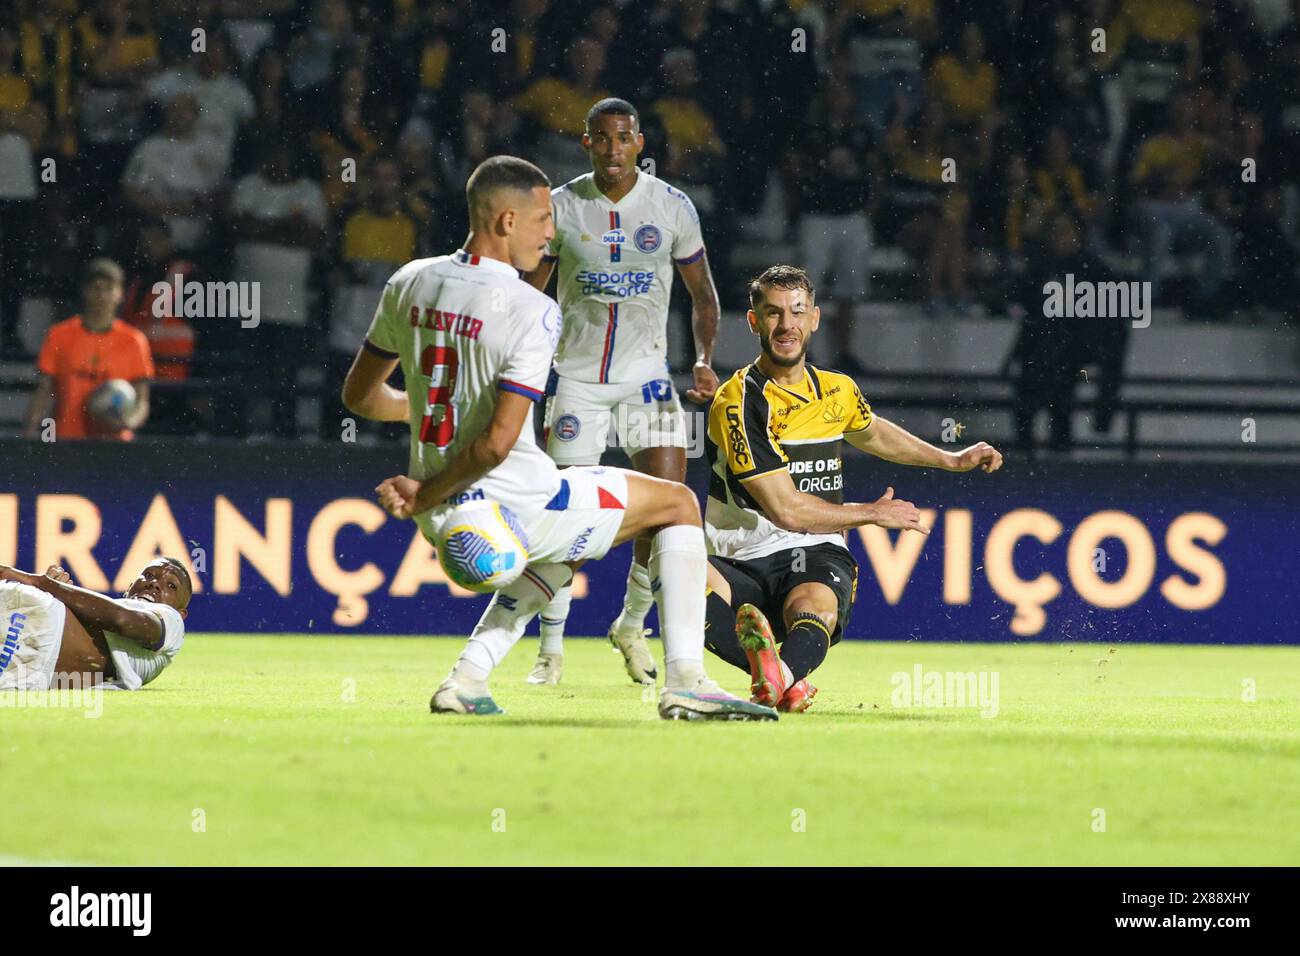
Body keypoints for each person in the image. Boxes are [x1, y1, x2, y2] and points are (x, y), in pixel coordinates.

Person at [342, 155, 773, 721]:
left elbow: (360, 397)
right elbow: (496, 445)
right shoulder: (531, 309)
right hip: (513, 503)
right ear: (506, 222)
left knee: (564, 554)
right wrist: (426, 490)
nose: (553, 231)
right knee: (676, 503)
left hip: (452, 518)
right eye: (544, 219)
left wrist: (427, 444)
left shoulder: (411, 279)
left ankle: (467, 679)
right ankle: (687, 682)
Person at [701, 265, 1003, 712]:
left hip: (813, 547)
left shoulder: (837, 389)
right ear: (752, 322)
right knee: (680, 585)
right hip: (735, 552)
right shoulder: (741, 400)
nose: (787, 325)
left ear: (815, 319)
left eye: (797, 312)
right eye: (773, 314)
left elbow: (873, 432)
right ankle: (784, 678)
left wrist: (949, 458)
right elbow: (785, 510)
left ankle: (776, 675)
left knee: (814, 608)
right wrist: (872, 513)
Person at [517, 97, 724, 688]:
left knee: (667, 507)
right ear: (586, 142)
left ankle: (632, 625)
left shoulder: (672, 206)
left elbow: (704, 297)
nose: (612, 149)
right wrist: (524, 370)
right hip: (576, 381)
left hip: (648, 380)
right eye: (601, 138)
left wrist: (705, 361)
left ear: (640, 142)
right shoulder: (559, 207)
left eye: (623, 137)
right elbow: (530, 298)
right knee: (563, 516)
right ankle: (550, 650)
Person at [0, 558, 190, 691]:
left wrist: (45, 584)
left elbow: (122, 621)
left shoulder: (172, 621)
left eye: (171, 585)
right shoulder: (107, 611)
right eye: (148, 575)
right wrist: (57, 588)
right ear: (130, 588)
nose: (155, 583)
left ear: (181, 614)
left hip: (26, 671)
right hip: (28, 618)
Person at [23, 258, 153, 441]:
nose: (102, 295)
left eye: (109, 289)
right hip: (67, 439)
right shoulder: (59, 335)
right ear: (84, 291)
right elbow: (44, 392)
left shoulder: (134, 341)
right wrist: (30, 436)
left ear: (120, 294)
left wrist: (128, 421)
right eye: (96, 288)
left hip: (115, 444)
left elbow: (141, 400)